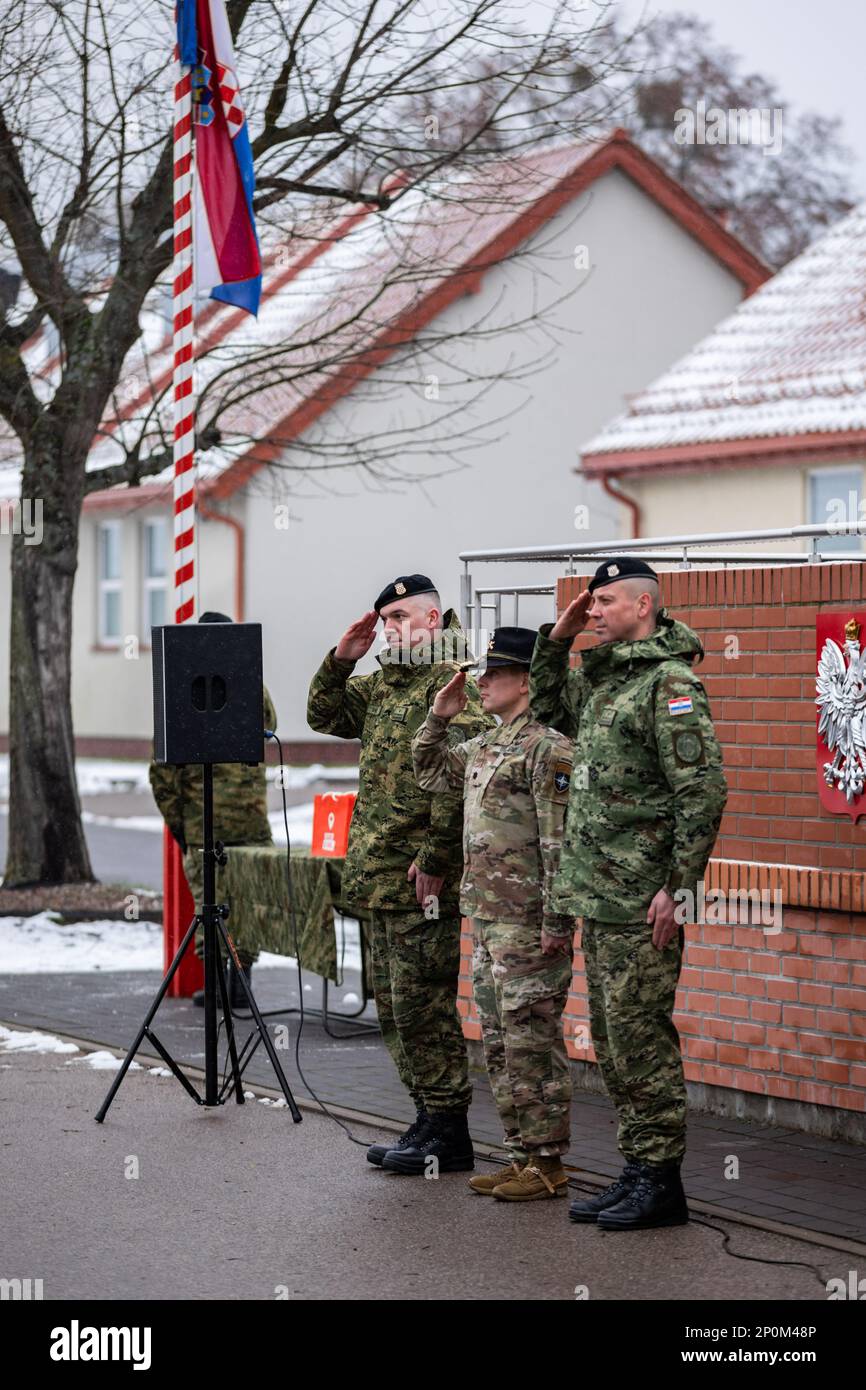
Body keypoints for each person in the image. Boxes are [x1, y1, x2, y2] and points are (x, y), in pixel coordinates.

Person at [529, 559, 727, 1230]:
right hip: (604, 897)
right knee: (615, 1043)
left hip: (645, 898)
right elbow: (549, 708)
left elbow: (701, 791)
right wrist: (555, 642)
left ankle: (662, 1183)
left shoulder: (669, 685)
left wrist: (680, 887)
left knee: (641, 1039)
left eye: (606, 600)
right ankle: (639, 1170)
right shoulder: (607, 681)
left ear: (643, 606)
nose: (594, 610)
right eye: (591, 601)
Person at [307, 575, 492, 1174]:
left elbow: (461, 783)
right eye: (385, 620)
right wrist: (341, 660)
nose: (390, 629)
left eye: (401, 618)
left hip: (422, 878)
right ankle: (426, 1118)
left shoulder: (457, 681)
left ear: (433, 620)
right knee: (392, 1006)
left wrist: (438, 860)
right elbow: (324, 715)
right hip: (380, 874)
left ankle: (448, 1129)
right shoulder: (390, 682)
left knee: (424, 1004)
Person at [412, 626, 575, 1202]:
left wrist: (558, 920)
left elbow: (558, 842)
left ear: (525, 681)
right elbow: (428, 771)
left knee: (532, 1041)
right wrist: (439, 716)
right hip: (487, 922)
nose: (481, 682)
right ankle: (519, 1156)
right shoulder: (487, 744)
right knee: (501, 1044)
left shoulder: (548, 748)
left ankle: (549, 1163)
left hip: (528, 923)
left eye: (493, 674)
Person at [149, 611, 275, 1011]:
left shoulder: (183, 692)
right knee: (248, 904)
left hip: (205, 826)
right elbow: (268, 725)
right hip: (252, 822)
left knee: (211, 904)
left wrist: (182, 827)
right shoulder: (252, 687)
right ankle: (241, 984)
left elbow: (162, 777)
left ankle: (220, 988)